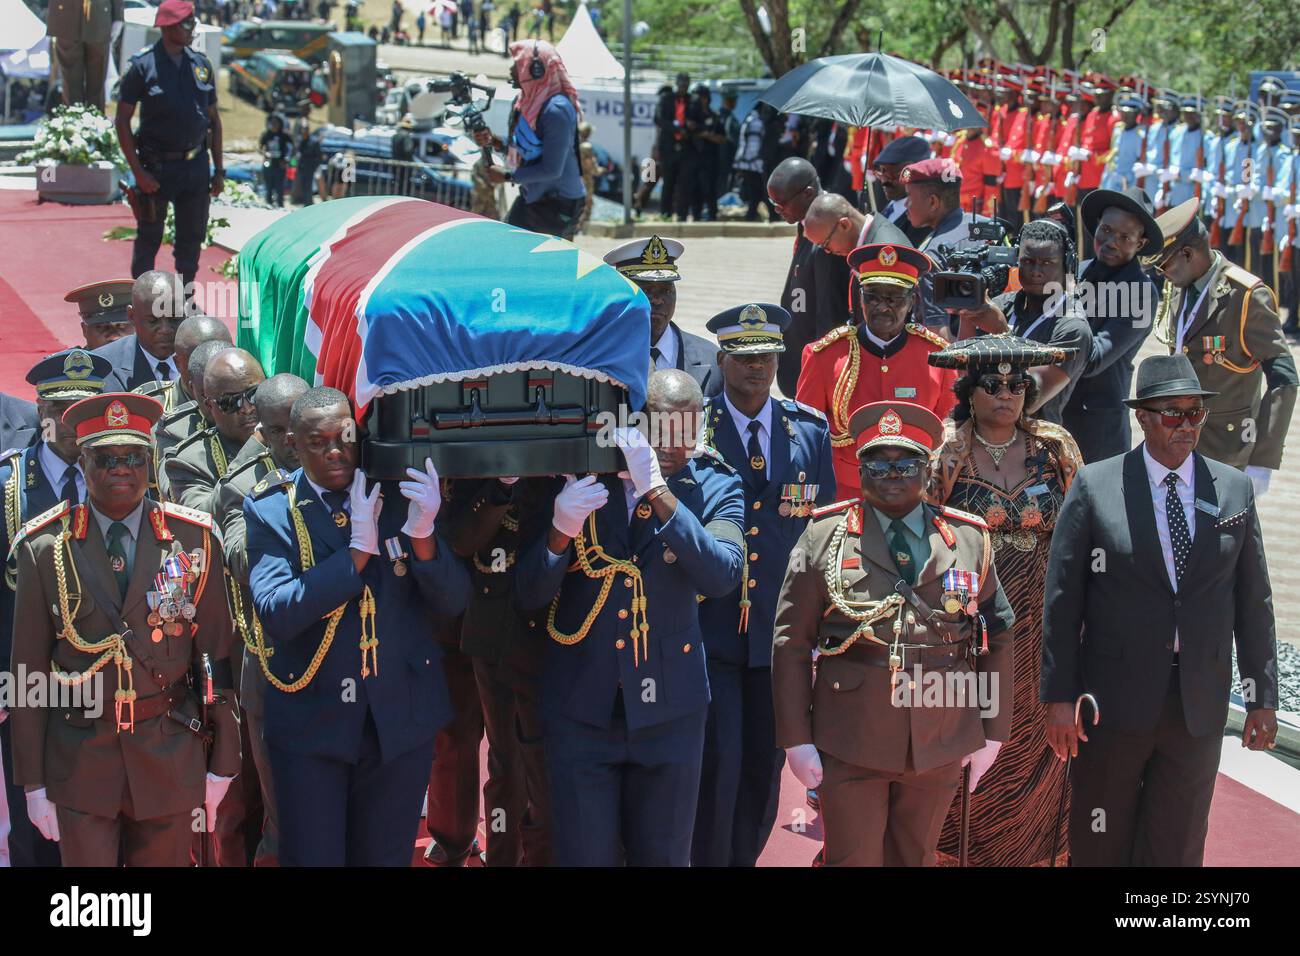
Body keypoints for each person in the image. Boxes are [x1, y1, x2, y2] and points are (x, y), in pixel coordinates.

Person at [1042, 353, 1279, 866]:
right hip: (1111, 702)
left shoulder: (1233, 489)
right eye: (1173, 413)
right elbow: (1063, 600)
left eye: (1195, 412)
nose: (1187, 425)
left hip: (1197, 703)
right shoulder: (1094, 486)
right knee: (1102, 836)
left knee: (1177, 843)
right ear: (1142, 417)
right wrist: (1059, 697)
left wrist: (1262, 696)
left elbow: (1253, 601)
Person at [514, 370, 744, 866]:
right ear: (637, 423)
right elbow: (528, 593)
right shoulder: (576, 475)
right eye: (664, 430)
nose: (676, 446)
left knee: (663, 857)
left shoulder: (715, 484)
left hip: (670, 712)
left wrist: (658, 491)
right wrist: (558, 531)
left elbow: (722, 575)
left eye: (688, 431)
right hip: (582, 707)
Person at [773, 400, 1015, 866]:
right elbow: (791, 641)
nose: (892, 473)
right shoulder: (824, 535)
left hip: (941, 732)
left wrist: (993, 729)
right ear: (859, 466)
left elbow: (997, 631)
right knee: (853, 859)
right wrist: (795, 738)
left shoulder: (967, 537)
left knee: (917, 858)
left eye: (906, 463)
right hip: (851, 734)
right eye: (877, 463)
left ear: (927, 470)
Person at [10, 392, 240, 866]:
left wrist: (224, 764)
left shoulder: (193, 539)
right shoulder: (44, 547)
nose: (121, 469)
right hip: (79, 757)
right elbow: (28, 677)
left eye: (134, 457)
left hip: (169, 749)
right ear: (83, 460)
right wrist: (32, 782)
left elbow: (218, 658)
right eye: (106, 458)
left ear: (151, 462)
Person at [244, 387, 469, 866]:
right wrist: (355, 557)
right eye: (317, 441)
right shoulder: (272, 511)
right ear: (293, 445)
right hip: (314, 724)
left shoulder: (397, 496)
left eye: (344, 436)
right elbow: (278, 610)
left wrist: (425, 536)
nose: (334, 451)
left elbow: (452, 602)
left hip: (397, 718)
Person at [924, 334, 1083, 866]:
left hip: (1044, 626)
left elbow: (1084, 531)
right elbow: (922, 542)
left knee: (1039, 748)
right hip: (972, 630)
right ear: (969, 391)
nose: (1007, 394)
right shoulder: (946, 452)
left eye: (1018, 384)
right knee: (966, 750)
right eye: (993, 384)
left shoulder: (1055, 447)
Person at [691, 304, 834, 867]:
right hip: (709, 624)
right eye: (745, 357)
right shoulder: (696, 426)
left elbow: (818, 531)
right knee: (715, 762)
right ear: (721, 359)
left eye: (767, 357)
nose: (757, 368)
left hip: (779, 633)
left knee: (763, 766)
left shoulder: (807, 429)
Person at [0, 349, 114, 867]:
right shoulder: (6, 486)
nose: (71, 423)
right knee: (34, 830)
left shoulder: (125, 476)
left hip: (110, 682)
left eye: (83, 410)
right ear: (40, 411)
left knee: (106, 823)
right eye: (60, 409)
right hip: (24, 686)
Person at [212, 372, 309, 868]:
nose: (295, 441)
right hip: (275, 674)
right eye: (280, 431)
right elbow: (241, 558)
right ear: (264, 434)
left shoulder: (343, 468)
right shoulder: (242, 488)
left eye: (302, 426)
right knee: (284, 820)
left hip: (346, 670)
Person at [434, 474, 554, 866]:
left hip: (564, 625)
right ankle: (504, 856)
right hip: (496, 621)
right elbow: (461, 538)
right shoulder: (476, 453)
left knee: (557, 761)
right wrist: (501, 482)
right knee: (508, 761)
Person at [1150, 198, 1297, 491]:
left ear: (1189, 254)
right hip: (1178, 445)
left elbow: (1284, 379)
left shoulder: (1246, 296)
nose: (1162, 274)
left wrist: (1263, 460)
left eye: (1164, 265)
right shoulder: (1180, 290)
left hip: (1228, 450)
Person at [795, 242, 957, 500]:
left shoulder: (939, 358)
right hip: (846, 492)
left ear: (912, 301)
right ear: (860, 299)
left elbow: (949, 432)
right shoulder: (824, 356)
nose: (882, 307)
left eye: (893, 298)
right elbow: (805, 435)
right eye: (873, 296)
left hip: (916, 492)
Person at [115, 0, 223, 290]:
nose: (193, 28)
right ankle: (141, 301)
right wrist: (138, 172)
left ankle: (185, 300)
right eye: (187, 23)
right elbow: (122, 120)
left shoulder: (201, 65)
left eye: (193, 22)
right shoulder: (143, 66)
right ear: (167, 27)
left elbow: (213, 121)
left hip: (195, 166)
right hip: (156, 168)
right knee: (149, 238)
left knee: (191, 240)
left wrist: (219, 170)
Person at [1062, 187, 1164, 461]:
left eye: (1125, 237)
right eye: (1106, 229)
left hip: (1098, 429)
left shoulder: (1141, 292)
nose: (1111, 241)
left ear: (1140, 244)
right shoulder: (1076, 272)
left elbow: (1095, 358)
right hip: (1057, 417)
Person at [966, 218, 1093, 425]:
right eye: (1028, 261)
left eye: (1047, 263)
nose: (1035, 271)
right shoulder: (1001, 305)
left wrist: (1001, 332)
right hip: (980, 436)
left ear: (1067, 265)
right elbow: (962, 376)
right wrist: (968, 314)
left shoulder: (1072, 328)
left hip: (1034, 446)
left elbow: (1027, 401)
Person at [472, 41, 586, 239]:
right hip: (536, 197)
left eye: (517, 64)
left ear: (536, 69)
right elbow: (525, 150)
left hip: (558, 203)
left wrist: (508, 176)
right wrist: (493, 141)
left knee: (522, 253)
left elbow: (552, 169)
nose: (510, 70)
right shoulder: (525, 102)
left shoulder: (556, 110)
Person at [766, 158, 853, 394]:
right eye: (772, 203)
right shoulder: (808, 227)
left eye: (781, 203)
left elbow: (829, 317)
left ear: (808, 193)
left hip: (813, 374)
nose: (777, 209)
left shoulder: (828, 241)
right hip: (798, 366)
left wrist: (820, 375)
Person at [602, 235, 721, 397]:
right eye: (646, 291)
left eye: (666, 291)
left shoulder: (711, 359)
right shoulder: (597, 354)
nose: (657, 300)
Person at [163, 348, 265, 511]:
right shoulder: (189, 461)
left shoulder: (287, 436)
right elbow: (203, 517)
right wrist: (252, 449)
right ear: (210, 405)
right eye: (232, 402)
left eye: (254, 394)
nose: (247, 408)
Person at [94, 271, 186, 392]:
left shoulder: (204, 361)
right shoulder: (102, 368)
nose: (165, 330)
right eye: (153, 321)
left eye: (174, 319)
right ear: (132, 316)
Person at [46, 0, 121, 111]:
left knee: (97, 81)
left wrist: (118, 16)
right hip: (67, 17)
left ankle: (95, 121)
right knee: (71, 83)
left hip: (99, 17)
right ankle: (73, 121)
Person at [870, 135, 932, 245]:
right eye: (882, 172)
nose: (884, 182)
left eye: (891, 175)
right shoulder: (889, 205)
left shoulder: (921, 219)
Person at [654, 74, 693, 220]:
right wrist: (676, 130)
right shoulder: (666, 99)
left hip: (686, 148)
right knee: (668, 182)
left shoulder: (692, 100)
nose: (684, 85)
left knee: (684, 183)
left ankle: (682, 215)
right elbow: (658, 119)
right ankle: (666, 214)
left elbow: (696, 119)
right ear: (677, 83)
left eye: (686, 83)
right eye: (681, 82)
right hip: (668, 147)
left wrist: (689, 129)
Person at [64, 279, 135, 350]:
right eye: (102, 327)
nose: (113, 337)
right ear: (84, 330)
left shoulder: (144, 359)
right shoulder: (66, 360)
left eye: (120, 325)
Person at [690, 84, 724, 222]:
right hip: (693, 157)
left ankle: (712, 214)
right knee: (694, 187)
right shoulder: (691, 115)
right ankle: (695, 215)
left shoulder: (714, 116)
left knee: (709, 188)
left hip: (710, 158)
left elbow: (721, 138)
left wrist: (706, 135)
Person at [732, 103, 769, 222]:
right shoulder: (756, 122)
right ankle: (751, 216)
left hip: (745, 163)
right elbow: (754, 145)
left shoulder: (748, 120)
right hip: (753, 164)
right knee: (757, 191)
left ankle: (751, 215)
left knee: (755, 192)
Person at [260, 113, 293, 208]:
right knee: (268, 186)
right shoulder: (266, 135)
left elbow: (293, 147)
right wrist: (265, 154)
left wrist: (287, 159)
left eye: (276, 123)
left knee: (280, 188)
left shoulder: (284, 135)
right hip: (269, 163)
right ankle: (268, 204)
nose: (274, 125)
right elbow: (260, 147)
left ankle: (280, 205)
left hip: (280, 164)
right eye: (272, 123)